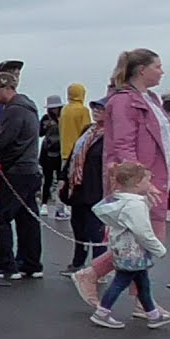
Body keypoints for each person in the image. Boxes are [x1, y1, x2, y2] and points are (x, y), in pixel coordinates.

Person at [72, 49, 170, 308]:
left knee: (145, 242)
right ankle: (95, 276)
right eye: (158, 66)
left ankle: (141, 303)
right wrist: (138, 181)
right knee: (146, 241)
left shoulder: (152, 98)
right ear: (142, 69)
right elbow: (123, 144)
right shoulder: (123, 101)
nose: (162, 71)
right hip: (140, 183)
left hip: (155, 178)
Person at [88, 162, 170, 329]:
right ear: (137, 182)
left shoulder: (120, 201)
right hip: (134, 251)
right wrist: (159, 249)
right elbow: (143, 231)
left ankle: (153, 315)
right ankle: (102, 313)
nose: (149, 184)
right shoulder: (135, 205)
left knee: (142, 283)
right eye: (147, 180)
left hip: (125, 249)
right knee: (121, 282)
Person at [0, 72, 44, 279]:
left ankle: (4, 265)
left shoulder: (14, 110)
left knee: (0, 217)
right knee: (27, 218)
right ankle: (31, 263)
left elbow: (4, 142)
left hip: (15, 171)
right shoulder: (29, 107)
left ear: (7, 88)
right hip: (30, 170)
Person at [60, 98, 107, 274]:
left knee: (96, 230)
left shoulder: (112, 136)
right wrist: (64, 177)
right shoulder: (88, 131)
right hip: (78, 187)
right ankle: (77, 263)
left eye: (101, 109)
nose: (96, 111)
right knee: (78, 228)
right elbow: (74, 154)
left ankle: (98, 269)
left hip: (97, 189)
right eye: (94, 108)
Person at [39, 95, 64, 218]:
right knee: (47, 179)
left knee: (61, 179)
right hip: (47, 152)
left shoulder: (64, 118)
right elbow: (39, 133)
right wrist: (45, 126)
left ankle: (60, 206)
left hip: (60, 151)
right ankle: (44, 203)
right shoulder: (45, 118)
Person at [60, 83, 92, 159]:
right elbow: (87, 131)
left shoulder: (64, 109)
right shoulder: (83, 110)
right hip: (77, 152)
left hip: (65, 151)